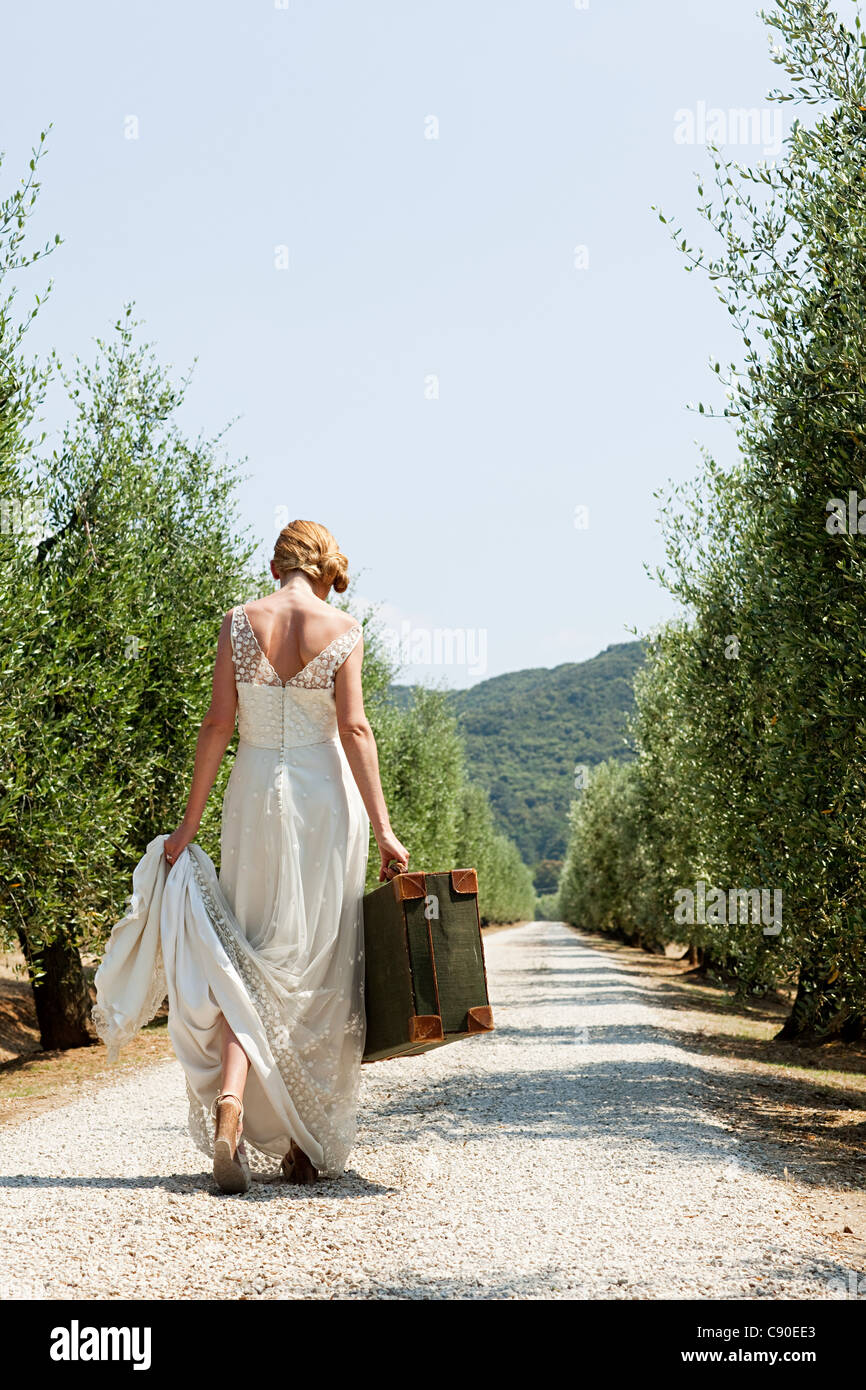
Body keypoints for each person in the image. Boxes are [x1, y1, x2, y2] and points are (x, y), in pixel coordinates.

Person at [94, 520, 408, 1193]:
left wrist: (185, 831)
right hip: (327, 804)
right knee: (316, 963)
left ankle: (230, 1114)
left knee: (247, 960)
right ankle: (299, 1144)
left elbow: (217, 725)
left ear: (275, 567)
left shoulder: (239, 623)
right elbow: (354, 728)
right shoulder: (344, 628)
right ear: (325, 571)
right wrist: (385, 831)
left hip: (254, 797)